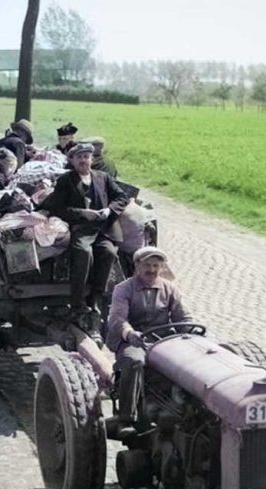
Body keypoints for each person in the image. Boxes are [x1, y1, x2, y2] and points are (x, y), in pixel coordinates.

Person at [106, 247, 192, 436]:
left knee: (188, 361)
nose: (152, 270)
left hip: (162, 340)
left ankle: (185, 410)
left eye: (156, 266)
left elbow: (182, 318)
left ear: (162, 267)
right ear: (137, 266)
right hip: (133, 341)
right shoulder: (123, 289)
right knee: (134, 361)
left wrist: (192, 333)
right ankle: (125, 419)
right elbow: (117, 319)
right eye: (147, 265)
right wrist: (129, 333)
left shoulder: (170, 289)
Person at [41, 142, 129, 317]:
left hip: (102, 229)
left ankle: (96, 296)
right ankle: (77, 301)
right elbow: (57, 208)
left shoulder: (103, 177)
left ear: (92, 159)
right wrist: (81, 213)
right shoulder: (65, 180)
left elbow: (122, 197)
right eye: (79, 157)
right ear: (72, 161)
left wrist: (109, 210)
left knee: (109, 252)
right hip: (80, 228)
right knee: (83, 252)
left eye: (86, 157)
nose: (83, 160)